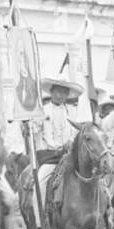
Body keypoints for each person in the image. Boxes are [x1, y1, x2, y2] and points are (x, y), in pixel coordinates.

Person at [36, 77, 83, 205]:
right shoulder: (42, 110)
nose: (59, 95)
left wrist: (71, 142)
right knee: (40, 184)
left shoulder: (72, 112)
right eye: (57, 91)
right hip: (50, 156)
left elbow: (76, 132)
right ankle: (40, 221)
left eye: (63, 92)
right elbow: (35, 129)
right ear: (51, 92)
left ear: (67, 95)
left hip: (69, 155)